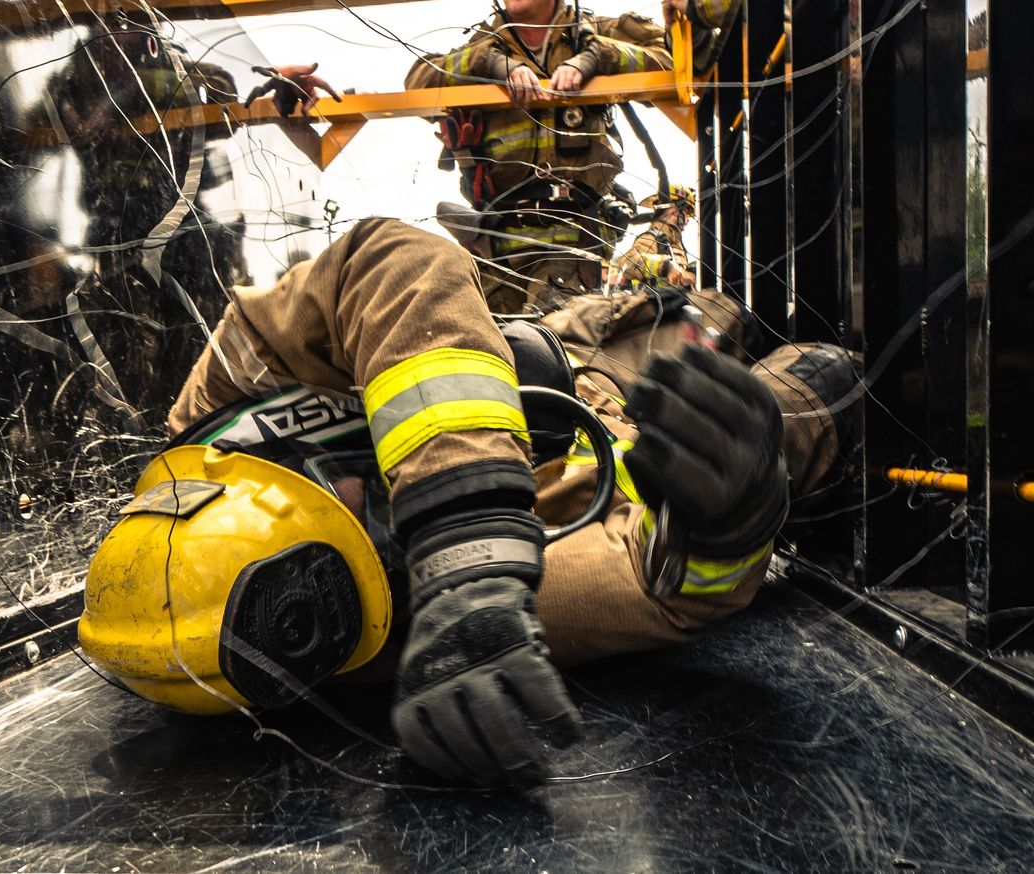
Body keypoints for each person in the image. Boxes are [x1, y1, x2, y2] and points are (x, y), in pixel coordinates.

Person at [81, 217, 860, 787]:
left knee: (702, 315)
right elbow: (661, 591)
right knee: (824, 382)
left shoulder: (226, 398)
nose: (383, 545)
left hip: (554, 356)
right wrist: (728, 522)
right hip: (615, 451)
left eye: (349, 515)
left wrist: (460, 541)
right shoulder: (416, 633)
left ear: (281, 451)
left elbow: (392, 259)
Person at [403, 0, 740, 314]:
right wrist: (492, 64)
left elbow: (669, 60)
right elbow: (418, 81)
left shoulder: (595, 33)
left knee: (556, 349)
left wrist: (594, 58)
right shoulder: (485, 47)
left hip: (574, 247)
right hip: (498, 252)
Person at [612, 182, 697, 289]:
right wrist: (665, 267)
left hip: (673, 302)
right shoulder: (652, 238)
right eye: (686, 212)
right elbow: (627, 262)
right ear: (674, 210)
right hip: (651, 302)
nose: (687, 220)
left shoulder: (676, 243)